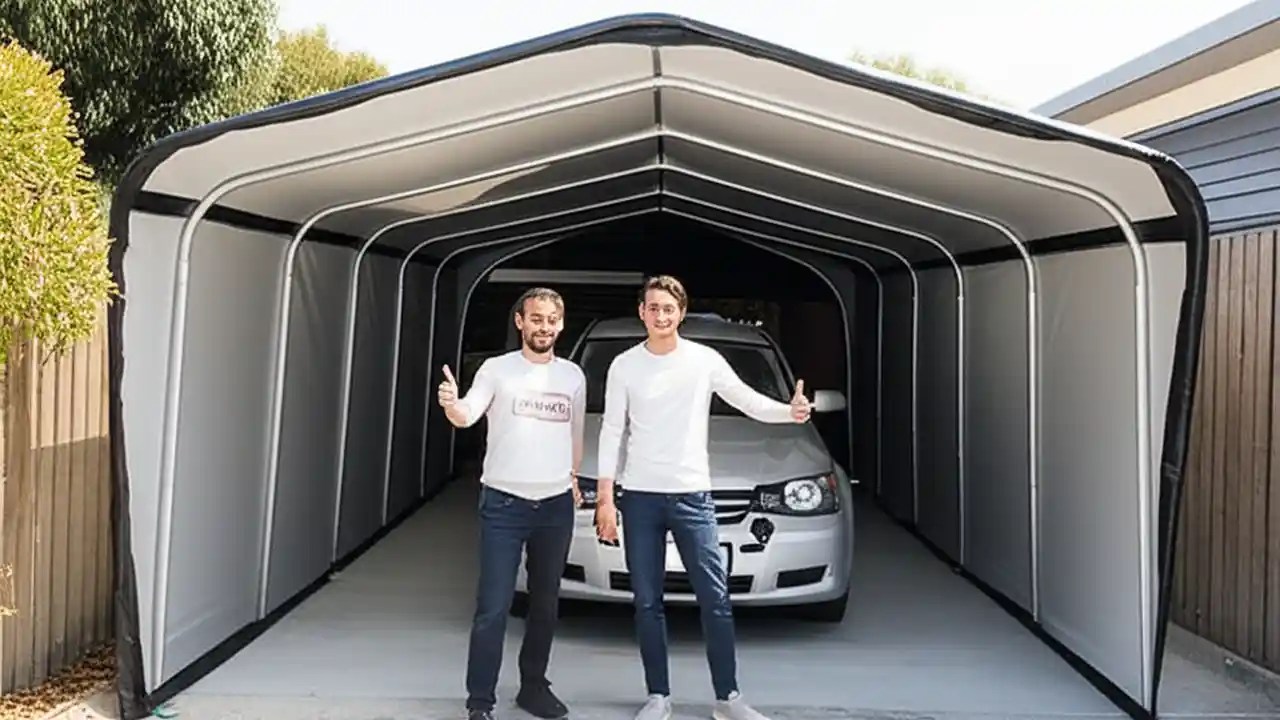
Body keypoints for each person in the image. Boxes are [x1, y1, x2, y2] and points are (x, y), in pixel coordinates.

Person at [594, 275, 812, 720]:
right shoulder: (624, 366)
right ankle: (658, 696)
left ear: (681, 312)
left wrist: (789, 413)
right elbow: (612, 431)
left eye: (668, 309)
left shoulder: (703, 361)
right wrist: (604, 499)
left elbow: (746, 400)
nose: (660, 316)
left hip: (692, 496)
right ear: (642, 313)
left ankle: (727, 698)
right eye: (652, 308)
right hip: (639, 498)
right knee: (648, 601)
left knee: (714, 598)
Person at [437, 287, 586, 720]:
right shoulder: (497, 370)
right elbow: (468, 413)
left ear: (560, 324)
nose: (544, 327)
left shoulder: (573, 376)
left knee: (545, 603)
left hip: (555, 505)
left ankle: (533, 688)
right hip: (504, 503)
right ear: (520, 321)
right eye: (535, 318)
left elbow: (574, 435)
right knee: (494, 606)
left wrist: (572, 477)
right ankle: (480, 700)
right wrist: (452, 405)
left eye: (551, 319)